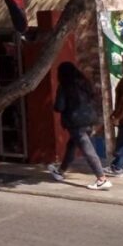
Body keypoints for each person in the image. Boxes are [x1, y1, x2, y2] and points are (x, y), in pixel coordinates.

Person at [48, 62, 112, 190]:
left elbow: (59, 106)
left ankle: (101, 178)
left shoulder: (65, 86)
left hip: (75, 121)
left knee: (87, 150)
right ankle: (60, 171)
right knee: (72, 145)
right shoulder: (84, 83)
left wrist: (55, 106)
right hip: (89, 118)